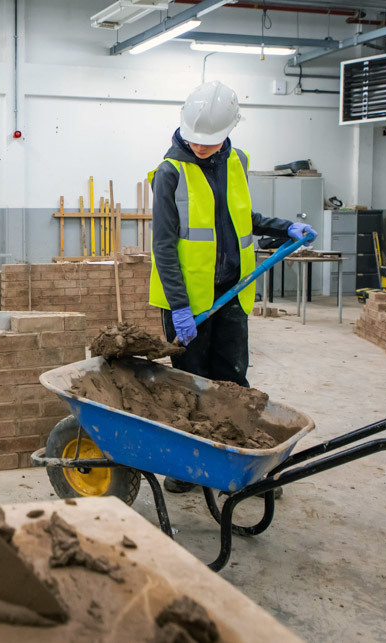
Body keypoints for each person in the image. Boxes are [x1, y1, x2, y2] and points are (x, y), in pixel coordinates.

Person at [148, 81, 315, 493]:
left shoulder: (236, 160)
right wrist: (180, 306)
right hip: (187, 302)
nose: (202, 148)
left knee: (232, 380)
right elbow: (164, 246)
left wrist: (283, 227)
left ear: (227, 134)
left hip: (232, 294)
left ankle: (237, 464)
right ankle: (188, 467)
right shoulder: (170, 172)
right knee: (190, 383)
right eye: (196, 141)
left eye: (210, 142)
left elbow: (241, 218)